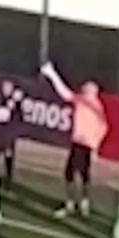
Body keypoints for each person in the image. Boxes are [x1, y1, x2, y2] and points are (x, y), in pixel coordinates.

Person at [40, 61, 108, 218]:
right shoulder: (91, 104)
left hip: (83, 143)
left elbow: (64, 93)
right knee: (78, 174)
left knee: (74, 173)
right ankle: (81, 203)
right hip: (81, 143)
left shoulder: (88, 103)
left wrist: (51, 74)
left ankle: (76, 203)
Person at [0, 79, 25, 188]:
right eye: (4, 87)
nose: (6, 90)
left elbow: (20, 118)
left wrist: (13, 107)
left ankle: (8, 180)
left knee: (8, 156)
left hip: (8, 133)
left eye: (8, 88)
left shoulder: (16, 103)